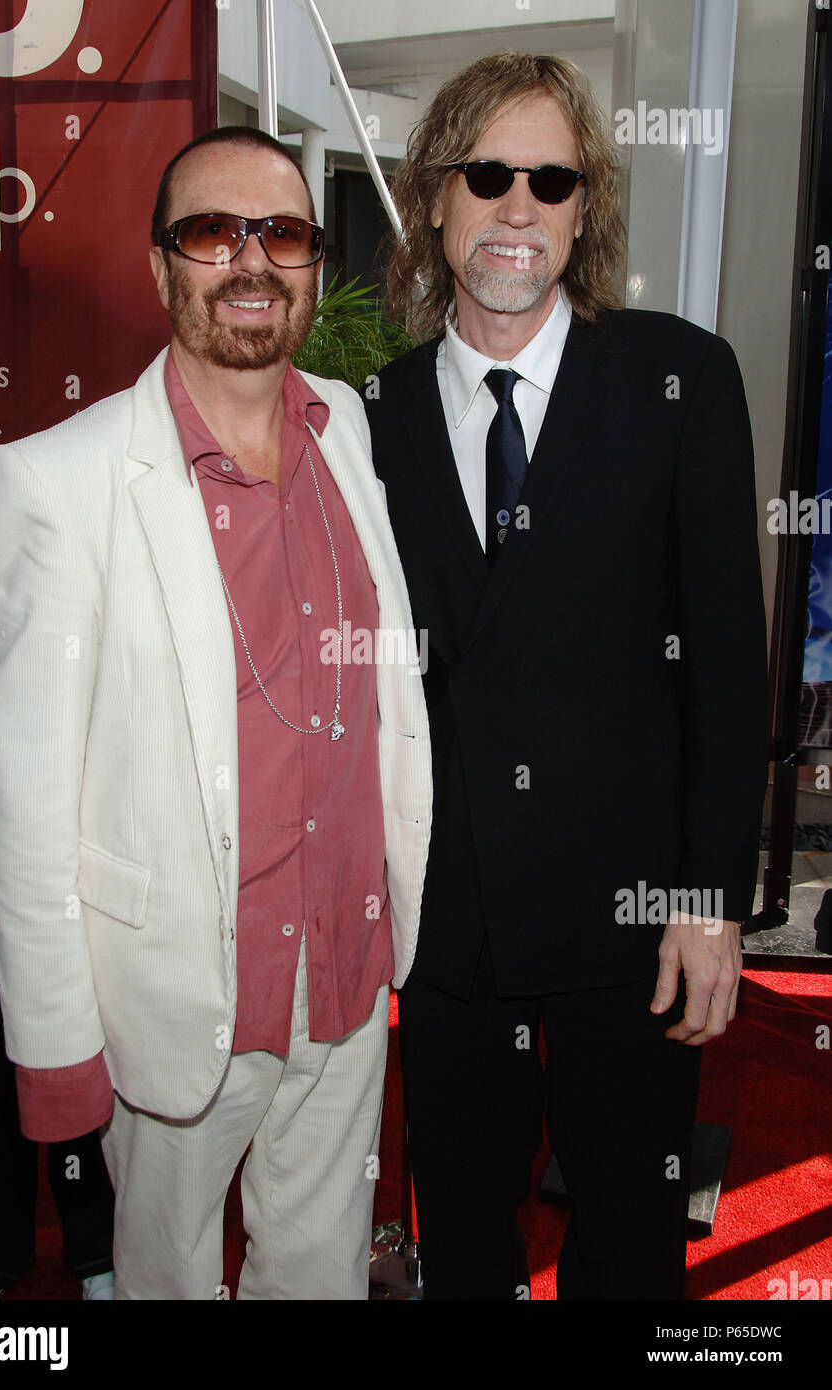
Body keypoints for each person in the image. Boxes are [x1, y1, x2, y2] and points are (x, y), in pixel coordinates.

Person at [0, 126, 431, 1300]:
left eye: (281, 233)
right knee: (169, 1282)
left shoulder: (348, 429)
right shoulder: (63, 481)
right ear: (160, 267)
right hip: (177, 998)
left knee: (321, 1272)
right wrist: (55, 1044)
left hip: (347, 976)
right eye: (210, 231)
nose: (249, 259)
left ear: (315, 267)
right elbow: (26, 800)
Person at [365, 52, 768, 1300]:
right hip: (452, 936)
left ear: (585, 211)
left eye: (553, 178)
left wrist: (711, 901)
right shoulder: (364, 419)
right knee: (468, 1253)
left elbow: (727, 663)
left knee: (629, 1254)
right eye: (488, 174)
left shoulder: (679, 380)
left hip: (631, 927)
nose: (518, 205)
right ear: (437, 197)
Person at [0, 547, 116, 1301]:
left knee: (77, 1102)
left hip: (72, 947)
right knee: (2, 1110)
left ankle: (96, 1253)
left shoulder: (81, 709)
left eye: (10, 615)